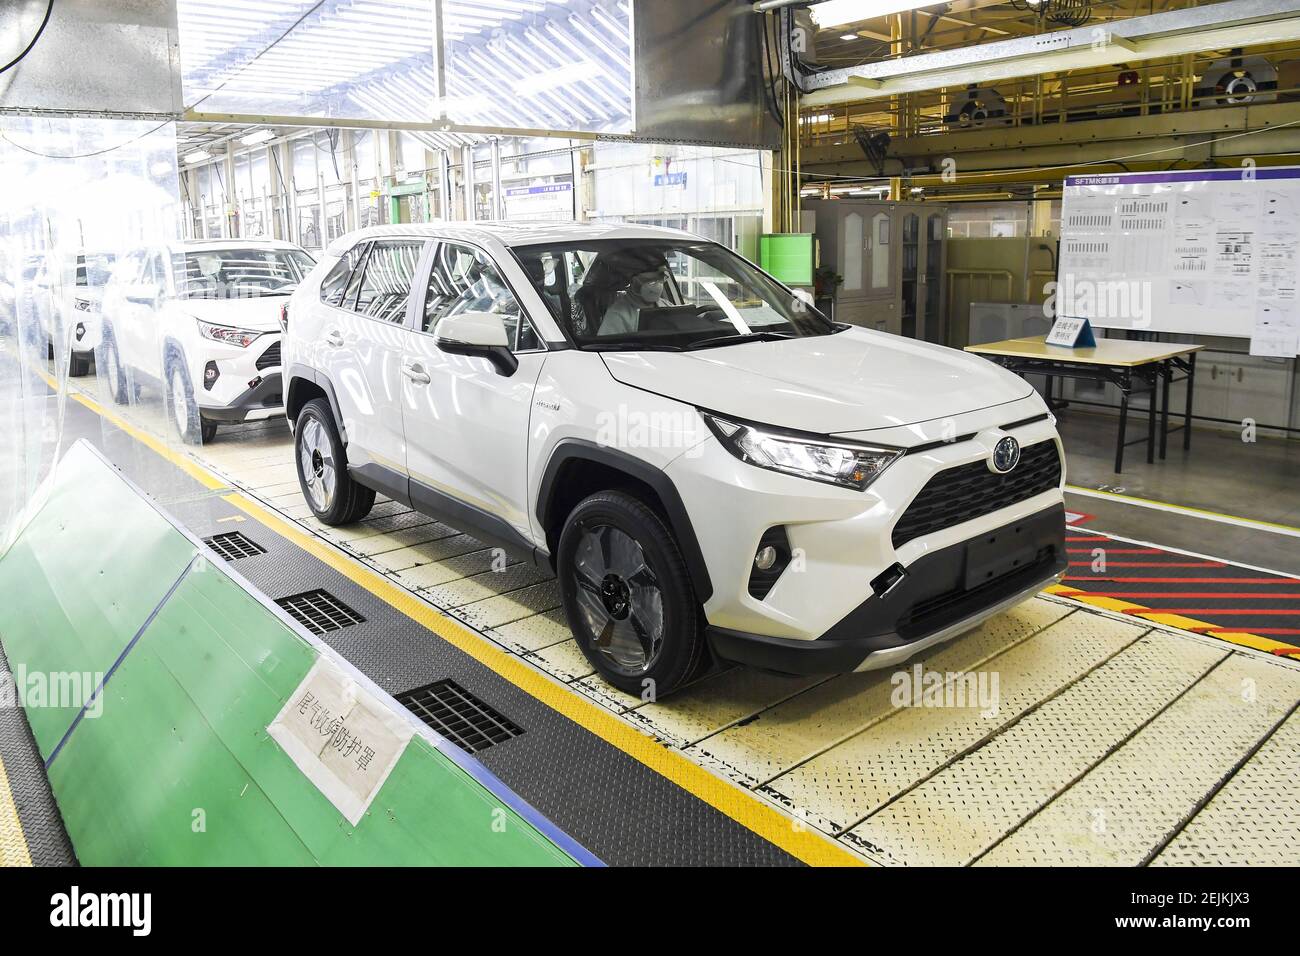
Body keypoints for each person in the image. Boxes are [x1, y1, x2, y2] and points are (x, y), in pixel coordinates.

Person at [599, 267, 670, 335]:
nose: (657, 285)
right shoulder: (617, 315)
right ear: (633, 282)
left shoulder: (667, 305)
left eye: (660, 279)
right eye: (650, 281)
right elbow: (607, 346)